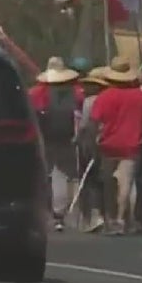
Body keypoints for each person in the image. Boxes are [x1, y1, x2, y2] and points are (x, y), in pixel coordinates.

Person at [89, 57, 142, 235]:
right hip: (132, 145)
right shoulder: (140, 96)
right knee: (126, 184)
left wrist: (93, 141)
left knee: (109, 184)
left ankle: (111, 217)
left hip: (107, 145)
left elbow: (94, 122)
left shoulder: (104, 96)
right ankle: (122, 219)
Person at [29, 57, 84, 233]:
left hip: (44, 139)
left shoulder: (37, 92)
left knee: (44, 176)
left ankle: (45, 212)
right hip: (67, 138)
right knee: (63, 176)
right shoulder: (75, 91)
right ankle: (60, 214)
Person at [75, 66, 111, 232]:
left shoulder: (90, 101)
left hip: (90, 142)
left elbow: (84, 125)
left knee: (90, 180)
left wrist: (76, 138)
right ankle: (105, 214)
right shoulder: (108, 98)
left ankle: (94, 216)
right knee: (103, 179)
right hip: (107, 141)